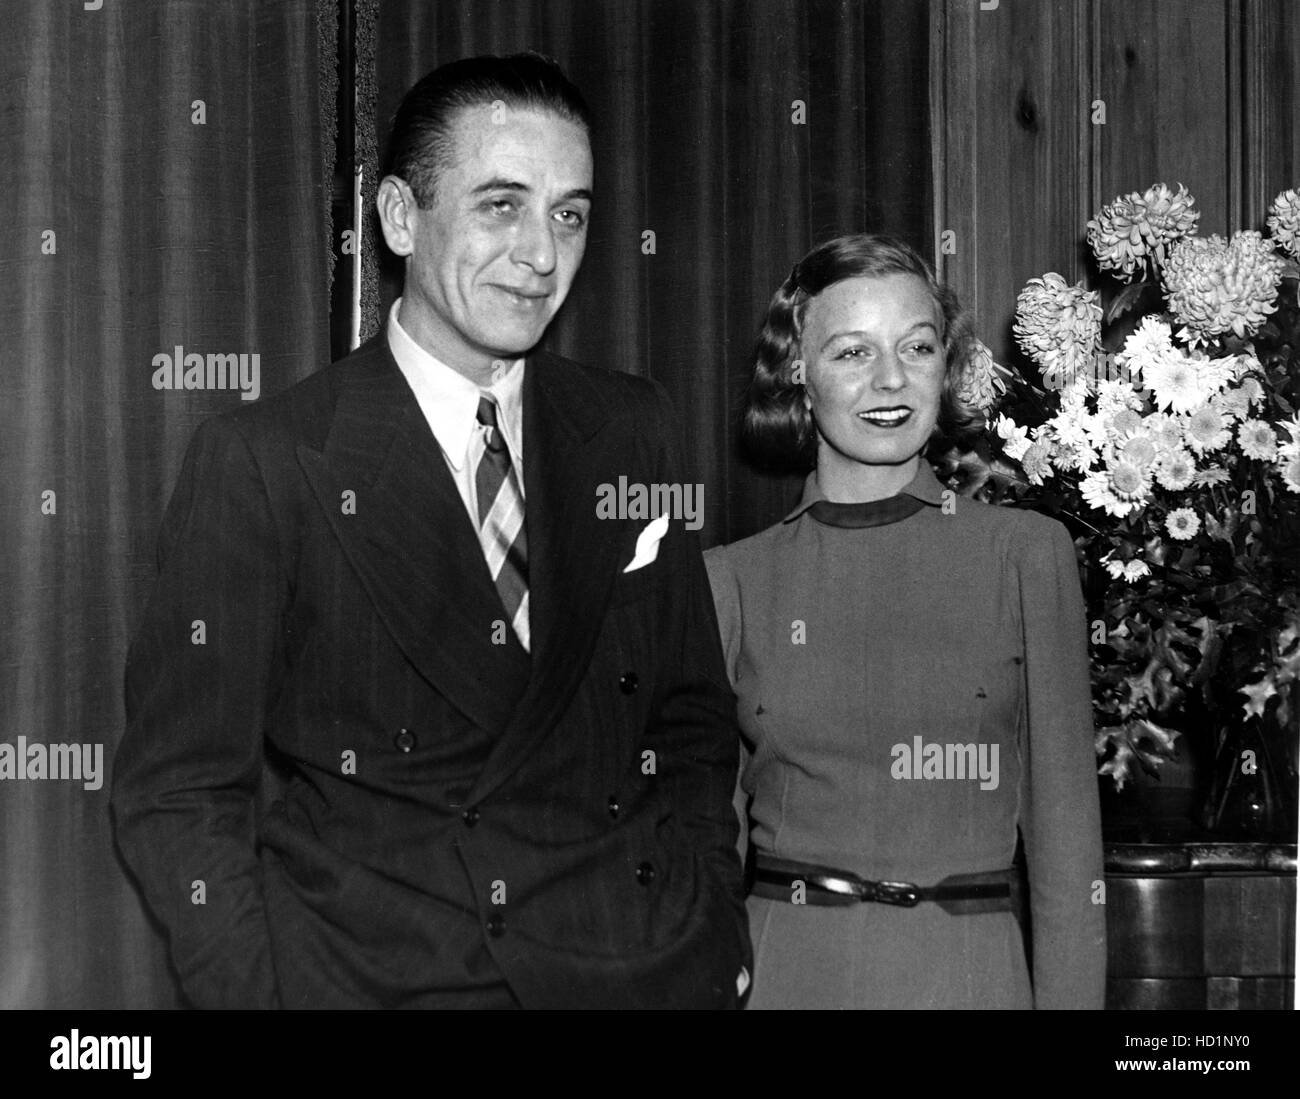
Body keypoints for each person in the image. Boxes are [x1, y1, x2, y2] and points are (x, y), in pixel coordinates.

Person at [111, 53, 750, 1010]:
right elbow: (178, 791)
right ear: (401, 217)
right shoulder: (270, 458)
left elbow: (692, 718)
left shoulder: (633, 427)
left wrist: (711, 930)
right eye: (502, 204)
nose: (542, 254)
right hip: (387, 980)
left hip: (637, 971)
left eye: (569, 214)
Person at [704, 234, 1106, 1009]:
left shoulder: (1026, 555)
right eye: (852, 352)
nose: (891, 379)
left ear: (944, 364)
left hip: (972, 979)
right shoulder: (731, 582)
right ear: (798, 372)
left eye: (917, 347)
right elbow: (704, 855)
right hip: (786, 976)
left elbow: (1068, 851)